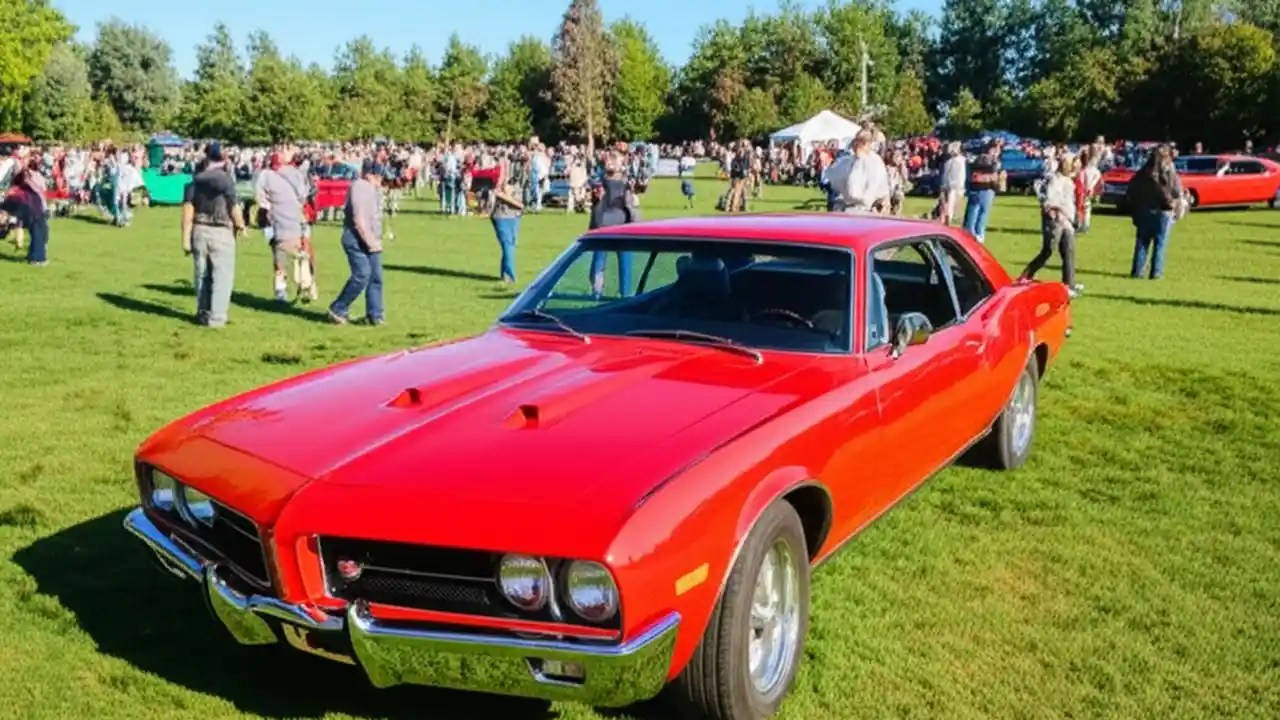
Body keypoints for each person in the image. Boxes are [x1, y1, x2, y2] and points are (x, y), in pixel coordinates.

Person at [185, 143, 245, 328]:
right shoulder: (226, 180)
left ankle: (203, 313)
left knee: (201, 274)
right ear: (223, 158)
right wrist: (241, 225)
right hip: (221, 230)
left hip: (199, 229)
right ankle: (217, 317)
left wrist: (185, 239)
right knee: (222, 275)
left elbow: (188, 209)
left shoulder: (195, 180)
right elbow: (233, 206)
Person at [329, 159, 386, 325]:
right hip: (355, 238)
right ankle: (338, 308)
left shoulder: (373, 189)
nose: (380, 179)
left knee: (376, 278)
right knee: (362, 275)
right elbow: (359, 220)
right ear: (369, 175)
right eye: (378, 176)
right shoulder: (360, 187)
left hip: (371, 239)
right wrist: (371, 242)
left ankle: (375, 315)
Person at [1018, 154, 1083, 298]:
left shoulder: (1068, 180)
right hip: (1056, 220)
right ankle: (1026, 275)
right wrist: (1058, 214)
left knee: (1069, 251)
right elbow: (1050, 201)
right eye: (1074, 164)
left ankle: (1069, 284)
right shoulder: (1056, 180)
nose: (1076, 167)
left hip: (1067, 221)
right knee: (1048, 251)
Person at [1124, 145, 1179, 280]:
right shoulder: (1168, 171)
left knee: (1142, 243)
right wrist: (1172, 201)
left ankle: (1138, 271)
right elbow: (1176, 190)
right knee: (1160, 244)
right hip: (1162, 211)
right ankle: (1156, 272)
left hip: (1143, 210)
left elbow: (1131, 188)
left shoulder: (1143, 172)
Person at [588, 156, 635, 297]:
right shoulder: (600, 181)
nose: (611, 162)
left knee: (625, 264)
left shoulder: (627, 182)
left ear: (622, 165)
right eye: (609, 160)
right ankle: (597, 293)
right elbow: (592, 183)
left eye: (615, 160)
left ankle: (625, 295)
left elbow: (638, 192)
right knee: (598, 263)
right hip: (602, 226)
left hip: (623, 226)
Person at [835, 130, 890, 214]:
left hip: (868, 207)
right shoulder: (851, 160)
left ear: (868, 145)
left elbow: (879, 186)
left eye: (860, 144)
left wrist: (882, 201)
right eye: (855, 143)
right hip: (848, 205)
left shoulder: (874, 161)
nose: (856, 146)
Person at [962, 141, 1001, 242]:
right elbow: (994, 172)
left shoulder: (976, 158)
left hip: (975, 187)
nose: (998, 152)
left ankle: (969, 231)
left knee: (973, 210)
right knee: (983, 212)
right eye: (996, 150)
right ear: (991, 149)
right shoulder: (991, 160)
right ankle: (978, 234)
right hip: (986, 188)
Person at [490, 181, 524, 284]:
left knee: (511, 245)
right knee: (507, 245)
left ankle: (505, 275)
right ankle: (511, 275)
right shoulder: (499, 177)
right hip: (502, 216)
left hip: (515, 216)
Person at [937, 142, 966, 225]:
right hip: (949, 186)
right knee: (945, 206)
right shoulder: (950, 161)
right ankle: (944, 221)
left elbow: (956, 176)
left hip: (953, 186)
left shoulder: (958, 160)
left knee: (949, 206)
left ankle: (946, 221)